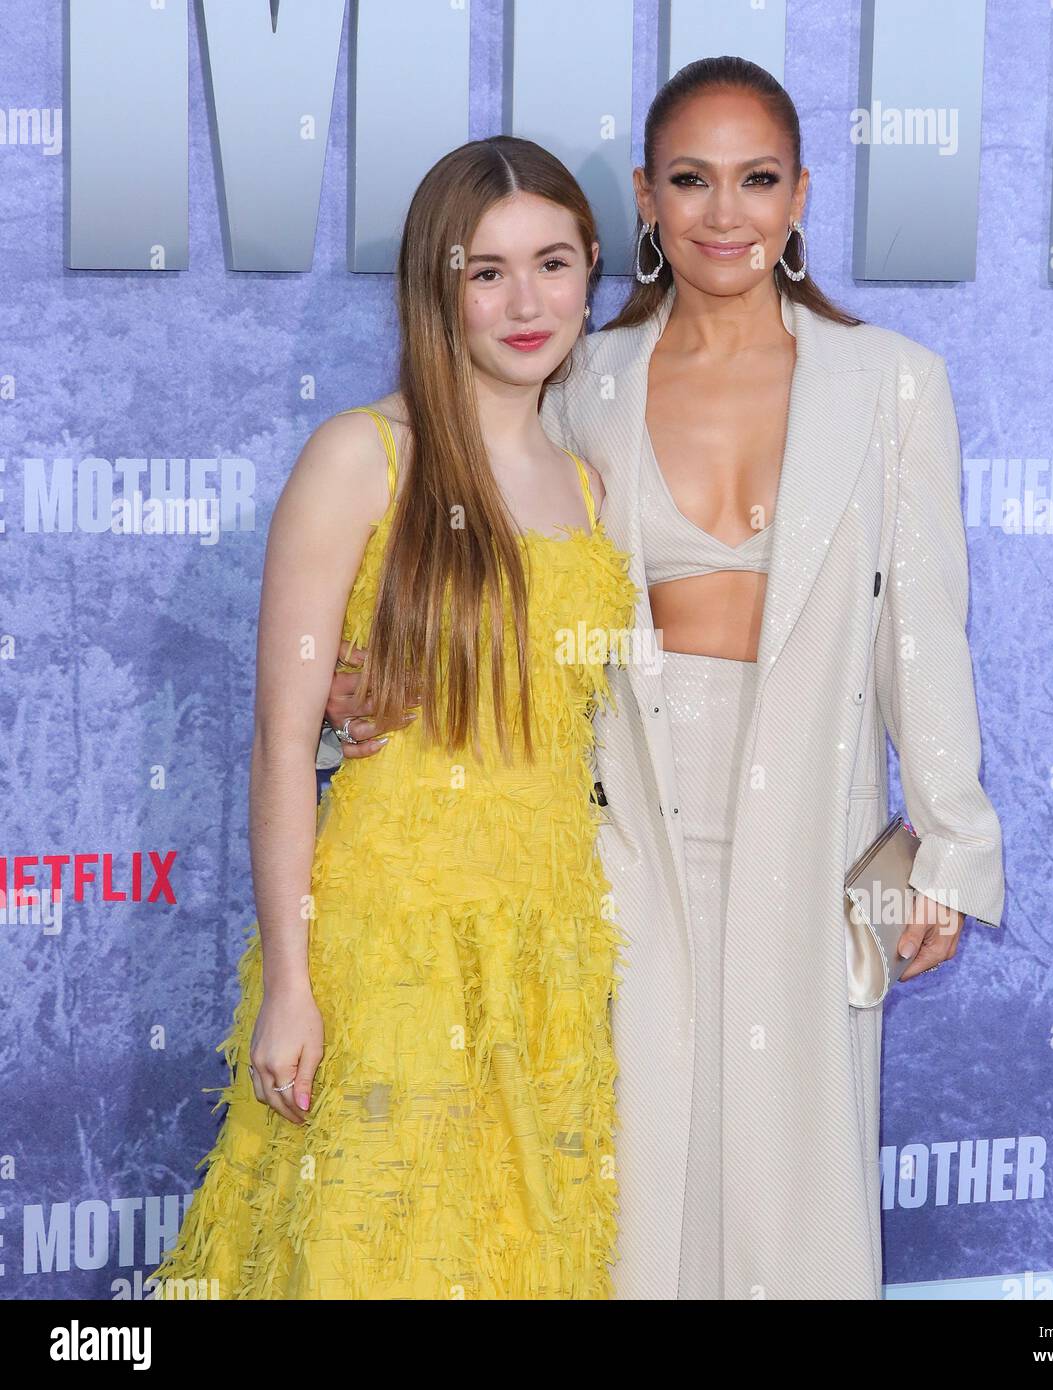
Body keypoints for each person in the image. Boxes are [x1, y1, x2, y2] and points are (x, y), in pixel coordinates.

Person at [323, 58, 1005, 1301]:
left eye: (756, 179)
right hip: (614, 818)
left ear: (802, 195)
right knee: (629, 1169)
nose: (724, 213)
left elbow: (925, 628)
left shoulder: (893, 382)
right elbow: (481, 554)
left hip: (817, 810)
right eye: (691, 179)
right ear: (644, 196)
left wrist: (949, 845)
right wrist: (367, 674)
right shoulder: (585, 377)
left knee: (797, 1176)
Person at [151, 136, 637, 1300]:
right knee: (373, 1256)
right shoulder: (362, 456)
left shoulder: (587, 482)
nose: (528, 302)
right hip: (392, 943)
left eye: (555, 263)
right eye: (488, 271)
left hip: (547, 952)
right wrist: (290, 986)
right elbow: (280, 741)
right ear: (438, 285)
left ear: (591, 272)